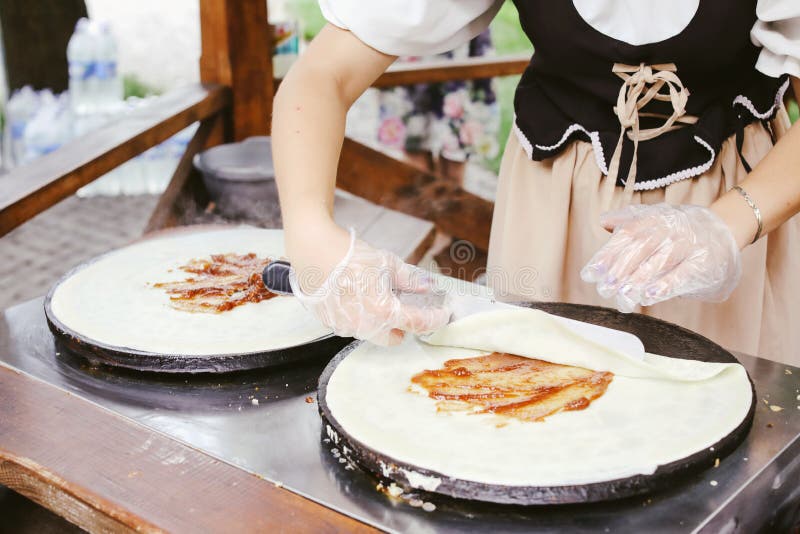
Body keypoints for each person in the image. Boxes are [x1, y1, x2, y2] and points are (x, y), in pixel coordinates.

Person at [273, 0, 800, 365]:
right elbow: (324, 75)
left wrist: (727, 223)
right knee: (538, 404)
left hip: (741, 200)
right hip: (553, 206)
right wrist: (311, 235)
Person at [374, 29, 500, 185]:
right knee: (415, 149)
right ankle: (423, 205)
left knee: (455, 155)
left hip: (460, 32)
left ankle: (452, 204)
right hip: (410, 33)